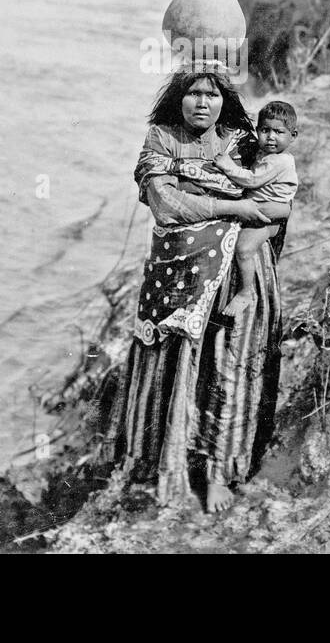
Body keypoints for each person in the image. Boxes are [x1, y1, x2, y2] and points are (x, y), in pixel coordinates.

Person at [105, 66, 289, 513]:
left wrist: (241, 207)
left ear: (225, 101)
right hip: (179, 275)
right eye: (193, 94)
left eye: (212, 95)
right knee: (176, 365)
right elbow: (167, 205)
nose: (202, 103)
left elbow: (279, 198)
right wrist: (235, 205)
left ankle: (217, 471)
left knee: (228, 366)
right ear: (178, 99)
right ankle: (161, 461)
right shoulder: (160, 139)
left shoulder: (243, 142)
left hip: (235, 274)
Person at [207, 100, 298, 320]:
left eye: (279, 132)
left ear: (293, 135)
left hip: (268, 215)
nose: (271, 137)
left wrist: (228, 166)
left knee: (244, 249)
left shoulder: (281, 161)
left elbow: (253, 180)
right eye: (265, 130)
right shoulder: (266, 154)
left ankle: (245, 292)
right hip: (262, 208)